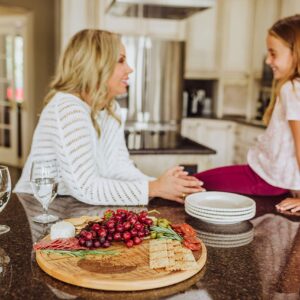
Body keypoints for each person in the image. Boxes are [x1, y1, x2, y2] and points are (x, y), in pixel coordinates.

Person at [14, 29, 204, 205]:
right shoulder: (67, 107)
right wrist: (154, 188)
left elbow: (118, 166)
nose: (130, 69)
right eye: (121, 60)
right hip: (36, 207)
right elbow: (85, 187)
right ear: (95, 65)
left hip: (70, 205)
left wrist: (166, 186)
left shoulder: (109, 107)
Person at [194, 14, 300, 214]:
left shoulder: (292, 89)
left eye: (273, 53)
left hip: (264, 179)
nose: (268, 60)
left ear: (295, 53)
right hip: (268, 177)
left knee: (194, 183)